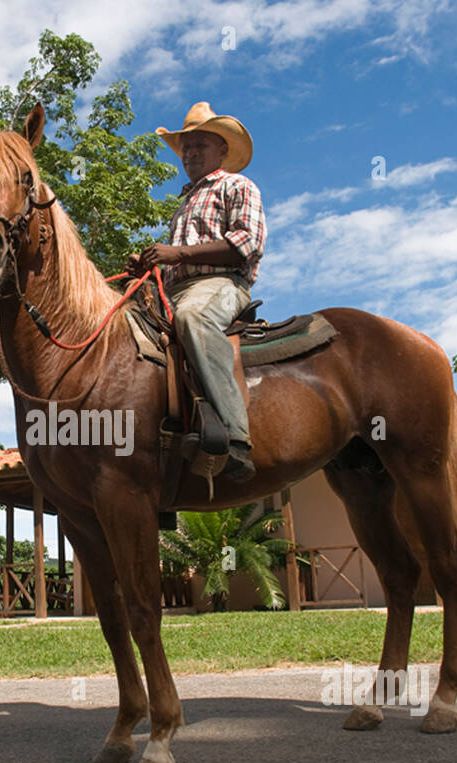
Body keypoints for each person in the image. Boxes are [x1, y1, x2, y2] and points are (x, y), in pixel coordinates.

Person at [129, 102, 267, 481]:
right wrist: (148, 264)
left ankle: (235, 436)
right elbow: (177, 260)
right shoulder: (185, 200)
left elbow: (246, 243)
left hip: (221, 285)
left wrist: (177, 252)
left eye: (200, 144)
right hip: (175, 290)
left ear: (222, 150)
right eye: (186, 147)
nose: (190, 153)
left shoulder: (237, 186)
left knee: (193, 317)